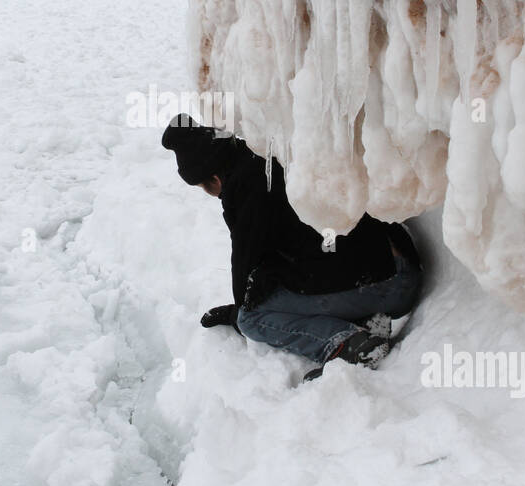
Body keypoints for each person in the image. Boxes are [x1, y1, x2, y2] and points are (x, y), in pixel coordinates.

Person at [162, 114, 423, 378]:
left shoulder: (246, 191)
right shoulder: (263, 153)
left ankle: (352, 346)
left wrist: (236, 313)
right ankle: (363, 318)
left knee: (250, 319)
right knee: (282, 277)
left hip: (390, 284)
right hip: (396, 253)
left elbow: (245, 272)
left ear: (214, 179)